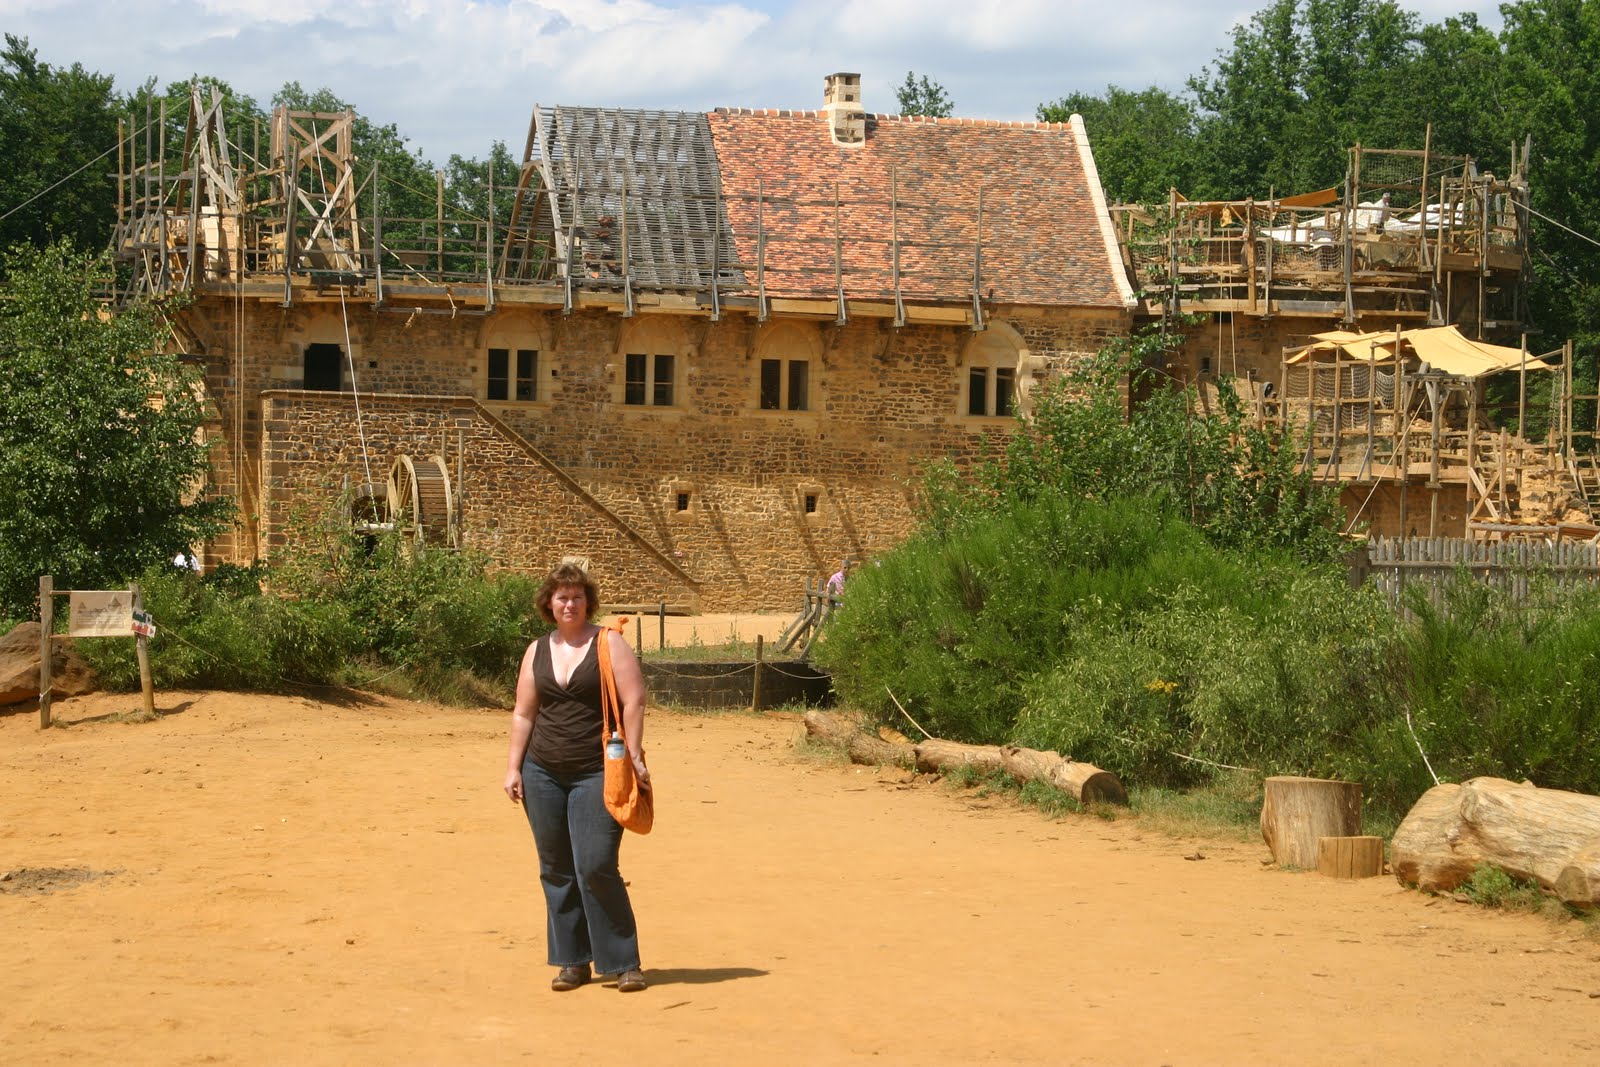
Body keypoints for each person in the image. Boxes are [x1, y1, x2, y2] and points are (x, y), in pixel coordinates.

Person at [504, 563, 650, 993]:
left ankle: (623, 962)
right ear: (549, 603)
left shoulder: (609, 644)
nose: (570, 604)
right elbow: (523, 712)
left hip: (597, 771)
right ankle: (572, 961)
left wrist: (636, 754)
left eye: (577, 597)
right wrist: (513, 766)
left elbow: (634, 701)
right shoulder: (537, 650)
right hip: (542, 771)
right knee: (556, 869)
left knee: (596, 865)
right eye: (562, 597)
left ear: (589, 603)